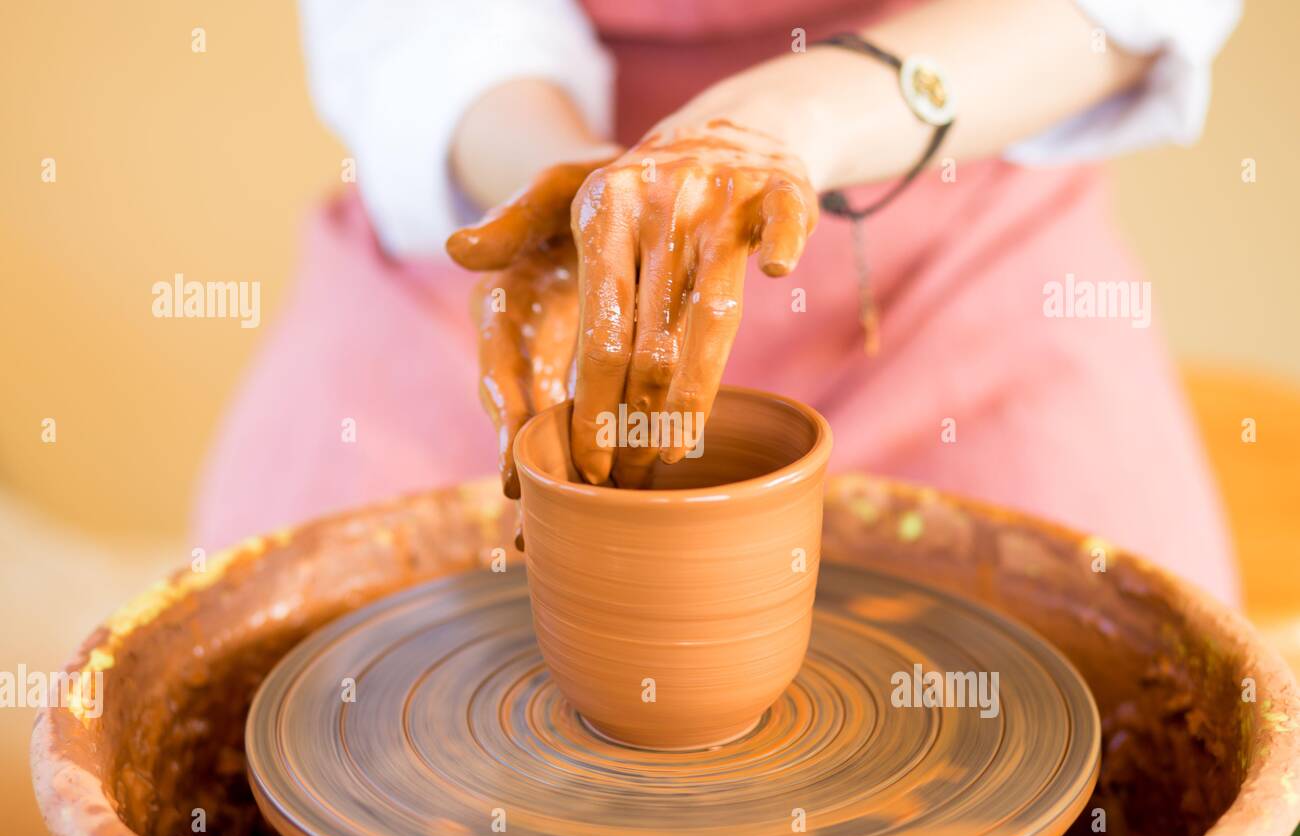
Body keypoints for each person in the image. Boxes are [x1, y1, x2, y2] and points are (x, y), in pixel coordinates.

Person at [194, 0, 1242, 603]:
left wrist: (792, 116)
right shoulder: (551, 199)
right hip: (521, 228)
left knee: (1115, 682)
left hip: (944, 192)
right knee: (282, 659)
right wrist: (591, 184)